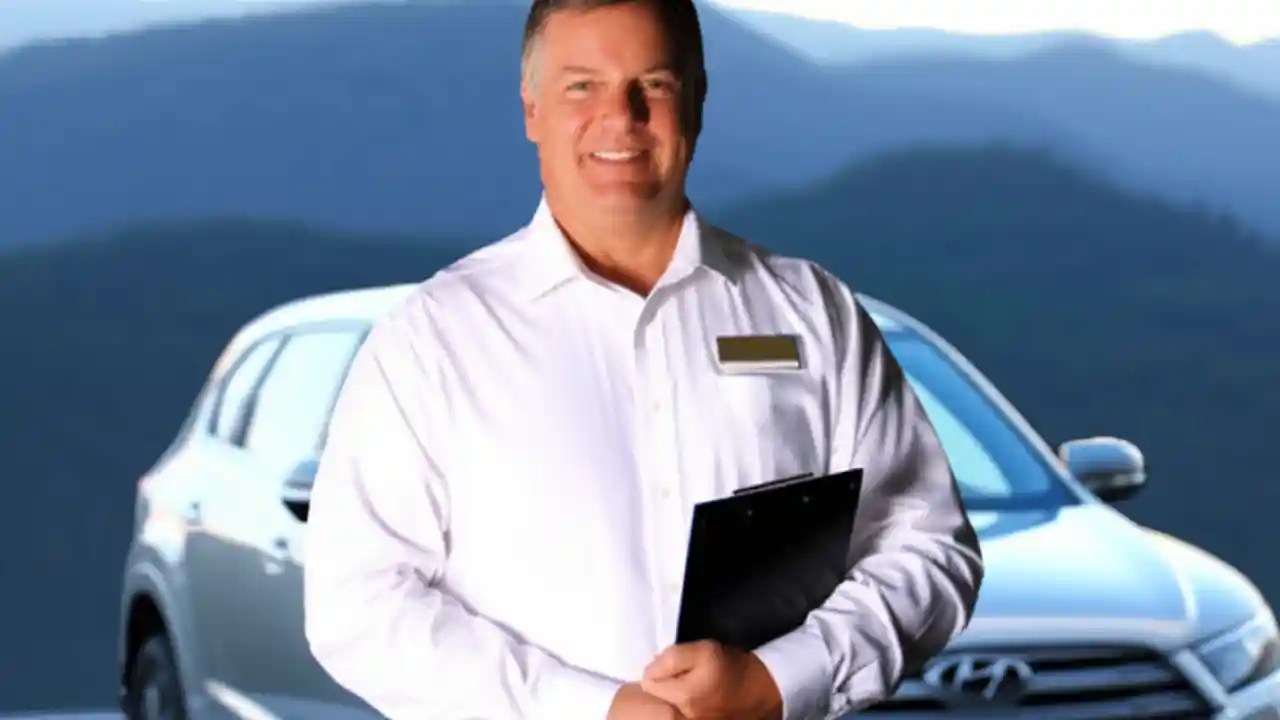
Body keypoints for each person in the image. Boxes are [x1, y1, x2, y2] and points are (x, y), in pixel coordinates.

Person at [302, 0, 984, 718]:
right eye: (581, 87)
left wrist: (777, 682)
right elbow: (358, 608)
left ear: (697, 100)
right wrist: (588, 709)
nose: (620, 116)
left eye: (652, 84)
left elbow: (929, 547)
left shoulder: (813, 314)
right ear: (532, 109)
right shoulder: (433, 340)